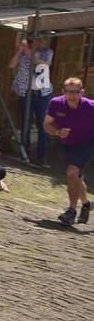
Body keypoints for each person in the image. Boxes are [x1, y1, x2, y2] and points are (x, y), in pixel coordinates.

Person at [44, 77, 94, 225]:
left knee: (72, 172)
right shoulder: (56, 103)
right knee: (75, 177)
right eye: (68, 92)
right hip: (66, 144)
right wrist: (58, 133)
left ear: (82, 92)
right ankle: (86, 204)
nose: (72, 96)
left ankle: (71, 211)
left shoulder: (90, 106)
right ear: (63, 92)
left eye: (75, 92)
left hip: (87, 143)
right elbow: (46, 124)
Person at [10, 34, 55, 165]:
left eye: (35, 41)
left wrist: (31, 54)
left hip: (42, 94)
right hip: (26, 92)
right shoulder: (23, 53)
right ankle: (25, 154)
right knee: (26, 123)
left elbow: (44, 65)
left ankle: (42, 157)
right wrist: (19, 51)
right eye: (30, 41)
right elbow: (12, 65)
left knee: (43, 125)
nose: (33, 44)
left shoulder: (47, 52)